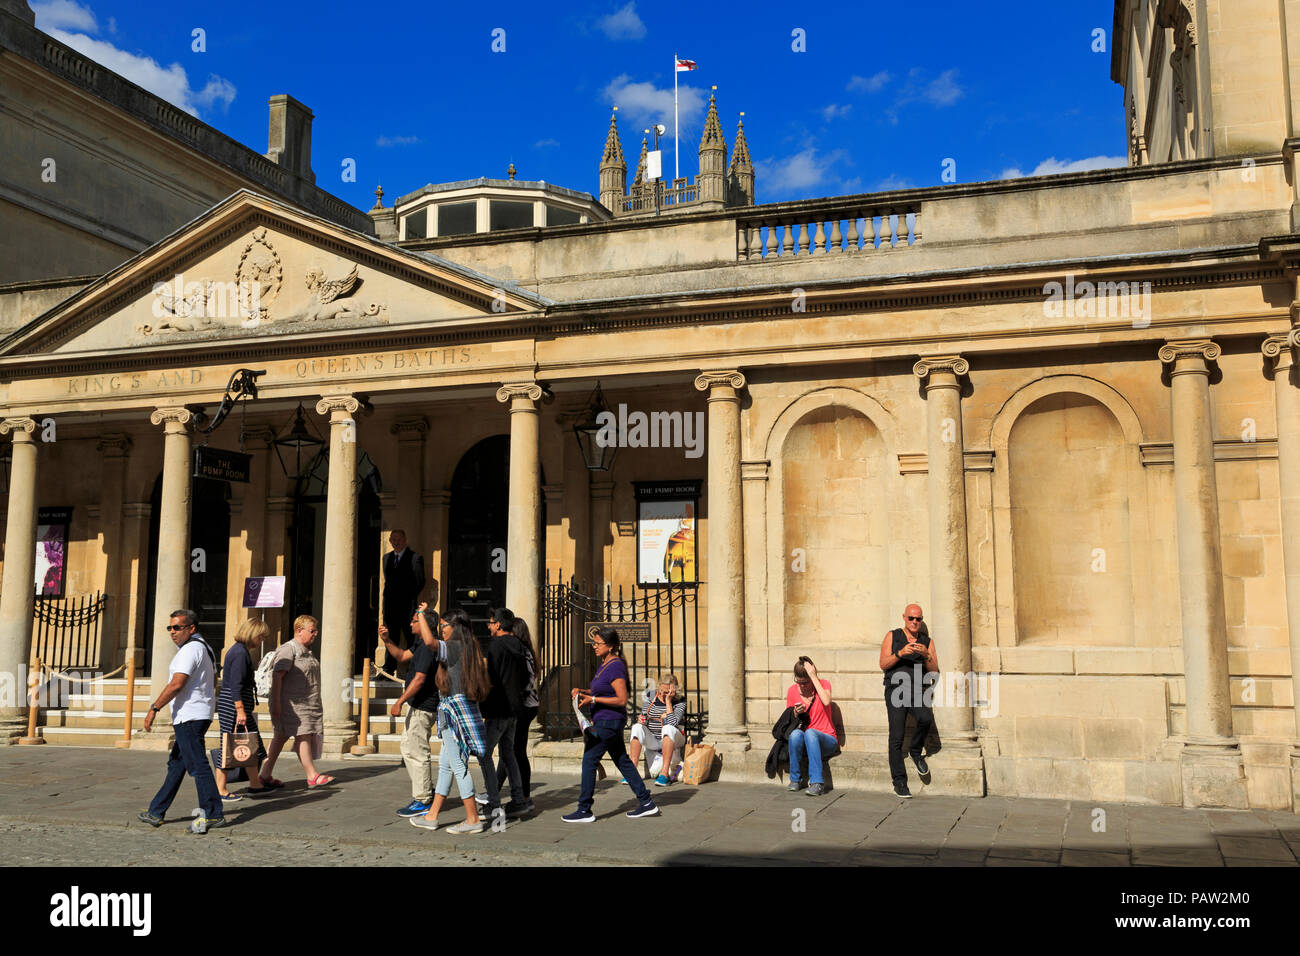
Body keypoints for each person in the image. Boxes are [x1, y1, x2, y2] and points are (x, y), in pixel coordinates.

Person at [138, 610, 226, 830]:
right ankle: (156, 811)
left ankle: (213, 813)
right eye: (170, 628)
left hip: (190, 716)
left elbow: (177, 683)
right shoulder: (205, 648)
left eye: (177, 627)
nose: (172, 632)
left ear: (191, 628)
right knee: (177, 764)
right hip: (198, 713)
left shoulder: (190, 650)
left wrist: (154, 708)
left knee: (198, 766)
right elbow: (213, 679)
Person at [562, 626, 660, 822]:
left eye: (598, 643)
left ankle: (584, 809)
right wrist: (583, 691)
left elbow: (621, 699)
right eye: (594, 643)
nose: (594, 646)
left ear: (611, 646)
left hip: (609, 721)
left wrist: (594, 700)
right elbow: (601, 690)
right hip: (605, 720)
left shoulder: (615, 665)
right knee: (622, 761)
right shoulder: (604, 663)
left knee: (589, 760)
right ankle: (647, 802)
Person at [410, 607, 492, 834]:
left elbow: (429, 642)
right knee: (446, 765)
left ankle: (473, 818)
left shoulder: (456, 647)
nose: (440, 631)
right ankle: (432, 816)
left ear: (454, 627)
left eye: (443, 626)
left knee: (458, 766)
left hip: (454, 712)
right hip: (460, 709)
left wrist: (421, 616)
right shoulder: (470, 646)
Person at [260, 615, 333, 788]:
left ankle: (264, 774)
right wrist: (276, 704)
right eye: (312, 630)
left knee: (280, 737)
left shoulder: (306, 650)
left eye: (316, 630)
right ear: (299, 631)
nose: (315, 634)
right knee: (303, 735)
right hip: (292, 705)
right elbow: (277, 677)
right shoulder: (288, 649)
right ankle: (312, 775)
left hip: (307, 704)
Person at [381, 604, 441, 817]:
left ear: (424, 623)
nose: (410, 623)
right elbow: (402, 656)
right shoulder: (420, 644)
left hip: (423, 706)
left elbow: (420, 678)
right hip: (417, 705)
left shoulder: (427, 647)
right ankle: (424, 792)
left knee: (417, 751)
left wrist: (400, 701)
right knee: (409, 748)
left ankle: (423, 798)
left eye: (414, 620)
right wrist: (387, 640)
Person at [474, 607, 528, 819]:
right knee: (508, 754)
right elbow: (525, 678)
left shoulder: (496, 645)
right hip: (514, 708)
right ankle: (518, 799)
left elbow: (491, 678)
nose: (488, 626)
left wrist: (484, 703)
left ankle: (493, 802)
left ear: (498, 624)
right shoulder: (518, 644)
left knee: (485, 754)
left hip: (498, 708)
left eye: (490, 622)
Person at [880, 603, 938, 798]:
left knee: (925, 719)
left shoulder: (927, 642)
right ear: (904, 617)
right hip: (895, 689)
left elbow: (934, 671)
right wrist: (900, 653)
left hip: (916, 690)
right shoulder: (893, 635)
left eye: (918, 619)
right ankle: (899, 782)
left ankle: (915, 751)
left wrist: (926, 655)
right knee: (896, 736)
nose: (915, 622)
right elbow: (883, 663)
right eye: (911, 618)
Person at [213, 618, 272, 801]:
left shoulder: (240, 651)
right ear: (253, 634)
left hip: (238, 705)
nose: (261, 641)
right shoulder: (239, 653)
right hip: (234, 706)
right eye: (261, 637)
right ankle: (220, 790)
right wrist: (240, 710)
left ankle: (255, 784)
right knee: (230, 746)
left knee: (249, 744)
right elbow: (236, 685)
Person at [497, 615, 539, 812]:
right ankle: (502, 792)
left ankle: (521, 797)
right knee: (513, 750)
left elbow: (521, 682)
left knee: (514, 751)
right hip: (528, 706)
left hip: (522, 707)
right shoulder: (527, 651)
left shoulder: (520, 652)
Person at [785, 656, 836, 796]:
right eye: (798, 682)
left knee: (810, 733)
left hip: (827, 740)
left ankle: (817, 783)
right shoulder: (792, 691)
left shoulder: (823, 684)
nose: (802, 685)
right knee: (795, 734)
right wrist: (795, 712)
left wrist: (814, 677)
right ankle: (795, 780)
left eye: (805, 682)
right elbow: (789, 721)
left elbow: (826, 701)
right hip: (805, 742)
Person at [628, 674, 686, 786]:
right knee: (636, 727)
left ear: (674, 690)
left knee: (668, 728)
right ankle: (632, 772)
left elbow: (673, 723)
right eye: (661, 691)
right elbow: (644, 714)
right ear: (659, 687)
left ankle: (664, 774)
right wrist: (641, 719)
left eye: (667, 692)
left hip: (675, 739)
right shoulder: (652, 696)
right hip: (654, 739)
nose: (663, 694)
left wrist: (668, 701)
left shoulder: (680, 701)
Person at [382, 529, 425, 655]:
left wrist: (408, 597)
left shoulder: (415, 558)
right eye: (393, 540)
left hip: (408, 608)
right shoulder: (386, 558)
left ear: (405, 541)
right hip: (390, 607)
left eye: (399, 540)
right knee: (390, 637)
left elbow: (420, 582)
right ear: (390, 541)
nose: (396, 542)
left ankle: (413, 667)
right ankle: (388, 670)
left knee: (411, 637)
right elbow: (387, 581)